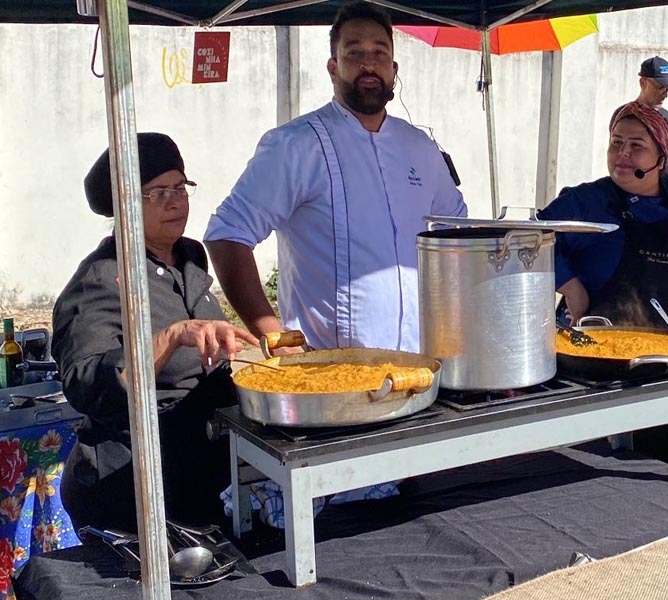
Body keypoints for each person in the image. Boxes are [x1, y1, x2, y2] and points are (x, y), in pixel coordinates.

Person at [203, 1, 467, 354]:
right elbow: (227, 235)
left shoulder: (420, 148)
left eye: (379, 53)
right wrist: (275, 338)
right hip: (327, 370)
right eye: (354, 53)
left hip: (422, 363)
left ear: (394, 67)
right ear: (333, 67)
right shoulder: (295, 145)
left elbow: (459, 232)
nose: (368, 64)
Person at [53, 132, 259, 532]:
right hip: (132, 487)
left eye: (180, 187)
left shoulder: (190, 258)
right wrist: (170, 337)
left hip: (204, 474)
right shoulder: (99, 281)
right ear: (124, 204)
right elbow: (86, 384)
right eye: (157, 192)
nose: (175, 200)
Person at [540, 102, 668, 483]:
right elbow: (534, 238)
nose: (622, 154)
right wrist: (569, 285)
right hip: (599, 370)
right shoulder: (584, 202)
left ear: (662, 156)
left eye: (636, 146)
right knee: (597, 479)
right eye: (616, 143)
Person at [610, 56, 668, 179]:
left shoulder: (667, 118)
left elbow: (664, 171)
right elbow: (621, 159)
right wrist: (661, 143)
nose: (665, 94)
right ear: (643, 83)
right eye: (660, 87)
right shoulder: (625, 115)